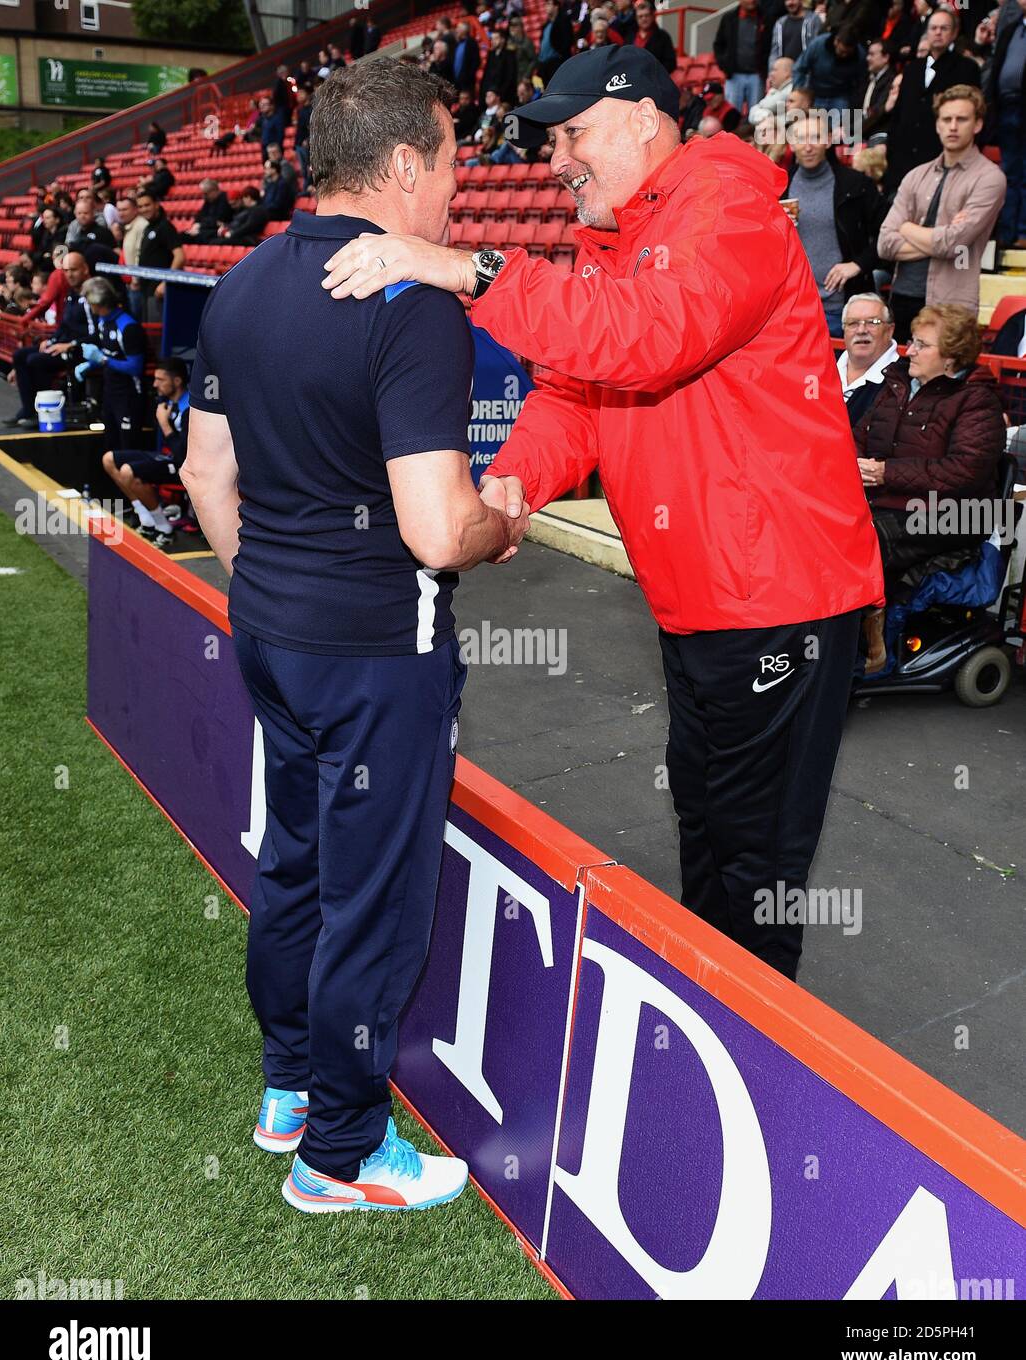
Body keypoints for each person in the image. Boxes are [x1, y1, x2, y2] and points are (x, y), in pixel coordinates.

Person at [321, 45, 884, 981]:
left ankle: (759, 1055)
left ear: (642, 121)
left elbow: (646, 338)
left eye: (573, 134)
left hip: (776, 595)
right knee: (709, 829)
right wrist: (510, 487)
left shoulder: (726, 203)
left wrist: (463, 267)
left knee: (753, 862)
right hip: (706, 596)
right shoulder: (625, 232)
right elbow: (576, 392)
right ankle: (726, 1017)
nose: (555, 160)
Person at [181, 58, 524, 1213]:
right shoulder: (416, 306)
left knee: (295, 866)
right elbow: (436, 529)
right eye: (452, 160)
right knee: (369, 901)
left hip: (273, 632)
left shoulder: (237, 286)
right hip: (377, 651)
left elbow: (202, 470)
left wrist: (277, 586)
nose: (458, 186)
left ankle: (288, 1089)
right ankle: (341, 1151)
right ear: (404, 165)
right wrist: (503, 523)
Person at [854, 303, 1006, 669]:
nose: (911, 351)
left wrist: (886, 473)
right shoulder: (898, 383)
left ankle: (872, 644)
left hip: (958, 515)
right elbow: (860, 437)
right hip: (890, 503)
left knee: (863, 540)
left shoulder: (977, 400)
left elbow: (963, 472)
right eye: (912, 341)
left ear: (951, 358)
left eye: (923, 344)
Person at [878, 84, 1006, 339]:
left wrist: (906, 227)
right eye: (946, 119)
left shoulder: (989, 178)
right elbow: (885, 244)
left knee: (947, 380)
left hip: (952, 306)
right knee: (899, 377)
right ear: (937, 125)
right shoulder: (916, 175)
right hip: (903, 297)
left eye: (962, 119)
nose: (953, 126)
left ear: (978, 125)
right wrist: (939, 237)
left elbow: (953, 243)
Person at [783, 108, 884, 335]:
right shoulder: (780, 186)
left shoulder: (855, 185)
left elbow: (888, 234)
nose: (808, 146)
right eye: (800, 139)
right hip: (794, 308)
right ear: (791, 143)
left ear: (828, 140)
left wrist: (857, 264)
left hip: (843, 309)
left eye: (816, 137)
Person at [883, 7, 982, 193]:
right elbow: (899, 113)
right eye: (933, 28)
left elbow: (972, 111)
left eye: (944, 28)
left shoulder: (966, 68)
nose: (938, 32)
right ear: (926, 32)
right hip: (903, 161)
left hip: (941, 156)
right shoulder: (912, 69)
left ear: (954, 34)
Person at [102, 356, 190, 548]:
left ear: (177, 381)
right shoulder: (166, 403)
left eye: (161, 380)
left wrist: (165, 424)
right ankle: (147, 518)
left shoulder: (189, 409)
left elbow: (184, 455)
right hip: (169, 457)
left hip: (185, 466)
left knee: (128, 471)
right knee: (109, 459)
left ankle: (164, 528)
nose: (155, 384)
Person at [6, 250, 91, 427]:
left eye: (73, 270)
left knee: (35, 360)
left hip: (79, 349)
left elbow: (95, 332)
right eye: (66, 270)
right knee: (20, 355)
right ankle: (28, 409)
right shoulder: (71, 294)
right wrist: (52, 341)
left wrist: (69, 345)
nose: (69, 274)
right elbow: (64, 325)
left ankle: (42, 411)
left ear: (85, 269)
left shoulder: (91, 294)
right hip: (60, 343)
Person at [73, 276, 146, 450]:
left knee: (128, 446)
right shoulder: (103, 322)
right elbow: (107, 354)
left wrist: (102, 360)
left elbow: (135, 367)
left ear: (99, 303)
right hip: (110, 391)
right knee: (110, 443)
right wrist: (91, 364)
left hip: (128, 394)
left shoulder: (128, 327)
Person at [982, 0, 1026, 246]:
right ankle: (1007, 234)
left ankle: (1023, 232)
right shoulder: (1011, 28)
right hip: (1007, 107)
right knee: (1009, 173)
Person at [835, 291, 900, 422]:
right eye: (853, 323)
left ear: (889, 330)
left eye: (872, 322)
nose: (861, 330)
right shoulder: (822, 368)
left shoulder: (902, 381)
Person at [791, 24, 866, 114]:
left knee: (840, 124)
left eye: (847, 53)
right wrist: (800, 92)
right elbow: (799, 69)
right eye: (842, 52)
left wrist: (853, 100)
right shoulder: (818, 44)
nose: (844, 55)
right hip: (815, 93)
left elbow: (861, 81)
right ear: (836, 41)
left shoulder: (860, 55)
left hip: (841, 97)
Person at [134, 187, 185, 319]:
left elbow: (180, 256)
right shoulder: (148, 228)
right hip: (146, 290)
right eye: (140, 206)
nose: (144, 209)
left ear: (156, 204)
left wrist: (165, 282)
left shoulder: (165, 227)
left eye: (147, 205)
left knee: (157, 333)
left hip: (158, 292)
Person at [715, 0, 770, 110]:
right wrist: (724, 65)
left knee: (756, 115)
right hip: (734, 76)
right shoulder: (728, 18)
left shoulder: (765, 17)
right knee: (732, 116)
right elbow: (718, 44)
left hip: (757, 76)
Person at [856, 37, 897, 138]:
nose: (868, 58)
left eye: (872, 54)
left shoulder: (892, 81)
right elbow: (855, 104)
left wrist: (853, 130)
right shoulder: (866, 77)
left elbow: (878, 112)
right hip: (861, 128)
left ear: (886, 57)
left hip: (877, 131)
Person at [769, 0, 824, 65]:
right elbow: (774, 52)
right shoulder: (780, 23)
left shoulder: (813, 20)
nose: (790, 3)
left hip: (805, 71)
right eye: (787, 0)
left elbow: (816, 50)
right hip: (784, 71)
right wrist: (772, 71)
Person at [634, 0, 680, 75]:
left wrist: (655, 72)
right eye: (640, 16)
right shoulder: (630, 36)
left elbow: (671, 63)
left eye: (646, 15)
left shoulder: (663, 36)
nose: (644, 19)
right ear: (636, 19)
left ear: (652, 16)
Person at [538, 0, 573, 83]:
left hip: (557, 63)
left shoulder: (564, 20)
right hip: (544, 65)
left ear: (556, 6)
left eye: (549, 4)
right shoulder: (546, 25)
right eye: (545, 4)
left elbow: (568, 40)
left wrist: (560, 56)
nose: (546, 7)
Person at [453, 20, 482, 93]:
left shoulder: (471, 42)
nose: (456, 30)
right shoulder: (458, 43)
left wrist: (469, 76)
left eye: (458, 28)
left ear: (464, 30)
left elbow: (476, 61)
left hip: (467, 81)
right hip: (457, 81)